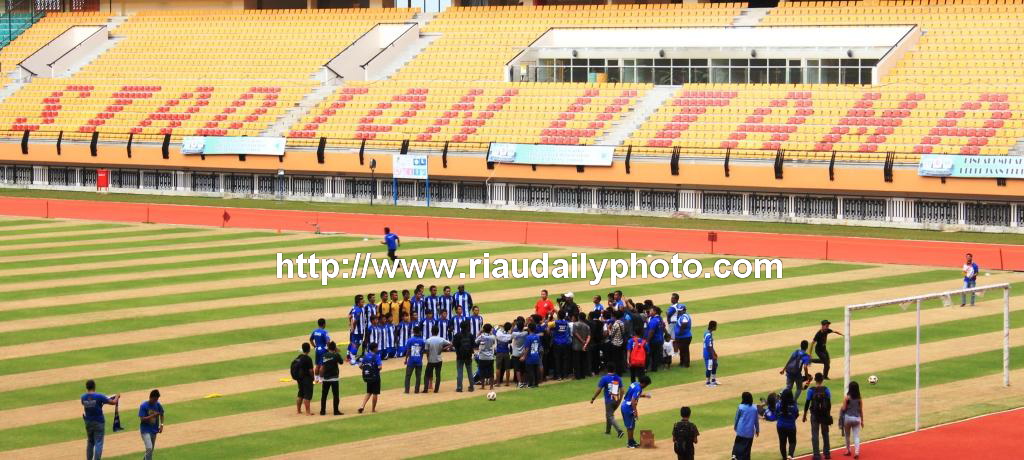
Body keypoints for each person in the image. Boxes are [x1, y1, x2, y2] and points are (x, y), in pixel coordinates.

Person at [81, 379, 119, 460]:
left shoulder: (83, 397)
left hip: (88, 422)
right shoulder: (99, 396)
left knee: (90, 442)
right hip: (98, 422)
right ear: (94, 386)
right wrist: (117, 396)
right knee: (98, 443)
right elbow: (113, 402)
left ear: (86, 387)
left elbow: (87, 404)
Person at [590, 363, 625, 438]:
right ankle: (607, 432)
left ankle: (619, 431)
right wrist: (619, 400)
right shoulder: (618, 378)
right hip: (616, 399)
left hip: (609, 401)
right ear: (614, 370)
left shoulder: (604, 378)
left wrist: (593, 398)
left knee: (610, 416)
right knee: (608, 415)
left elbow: (599, 390)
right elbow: (622, 390)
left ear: (606, 369)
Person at [803, 373, 833, 460]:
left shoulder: (811, 390)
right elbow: (829, 404)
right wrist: (828, 414)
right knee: (825, 434)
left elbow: (807, 403)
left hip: (814, 415)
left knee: (815, 434)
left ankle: (816, 455)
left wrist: (804, 415)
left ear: (815, 380)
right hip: (824, 415)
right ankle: (827, 454)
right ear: (822, 379)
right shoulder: (826, 390)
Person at [621, 374, 652, 448]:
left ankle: (632, 441)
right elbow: (633, 401)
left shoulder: (635, 383)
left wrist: (644, 396)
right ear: (644, 383)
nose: (646, 386)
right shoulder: (638, 388)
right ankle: (630, 443)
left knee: (632, 425)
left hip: (625, 404)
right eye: (646, 384)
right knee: (630, 426)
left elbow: (632, 394)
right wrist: (635, 412)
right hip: (628, 407)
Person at [769, 389, 799, 460]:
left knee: (782, 443)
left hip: (780, 426)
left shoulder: (778, 404)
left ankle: (784, 458)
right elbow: (796, 414)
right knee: (792, 441)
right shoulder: (794, 404)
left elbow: (776, 414)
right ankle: (790, 455)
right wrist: (791, 418)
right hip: (791, 426)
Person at [732, 391, 759, 460]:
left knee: (737, 445)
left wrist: (735, 426)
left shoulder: (741, 407)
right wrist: (757, 430)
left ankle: (735, 456)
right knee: (747, 449)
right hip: (749, 432)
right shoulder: (754, 408)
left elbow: (736, 418)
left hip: (740, 430)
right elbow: (756, 421)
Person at [423, 325, 451, 393]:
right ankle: (436, 390)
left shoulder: (428, 340)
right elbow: (451, 344)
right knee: (438, 375)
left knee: (427, 375)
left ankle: (426, 389)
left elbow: (427, 351)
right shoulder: (441, 339)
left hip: (431, 360)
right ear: (438, 332)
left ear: (431, 331)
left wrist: (428, 358)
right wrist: (443, 349)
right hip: (439, 360)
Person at [138, 389, 164, 460]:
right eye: (155, 399)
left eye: (157, 399)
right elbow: (142, 419)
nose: (156, 401)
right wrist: (153, 415)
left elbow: (162, 414)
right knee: (149, 448)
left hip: (154, 431)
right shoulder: (143, 406)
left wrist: (161, 425)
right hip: (145, 431)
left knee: (150, 451)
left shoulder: (157, 404)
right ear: (151, 397)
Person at [841, 381, 864, 459]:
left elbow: (844, 408)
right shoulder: (859, 398)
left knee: (847, 436)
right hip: (857, 418)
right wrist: (862, 421)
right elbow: (861, 410)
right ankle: (857, 452)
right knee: (856, 436)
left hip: (848, 418)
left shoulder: (847, 398)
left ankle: (848, 450)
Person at [319, 341, 343, 415]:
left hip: (326, 378)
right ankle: (336, 411)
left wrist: (321, 377)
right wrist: (337, 353)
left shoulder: (324, 355)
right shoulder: (336, 355)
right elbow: (341, 362)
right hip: (334, 378)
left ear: (328, 347)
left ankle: (322, 411)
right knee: (335, 395)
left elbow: (321, 367)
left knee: (324, 395)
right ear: (335, 348)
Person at [358, 343, 383, 413]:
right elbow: (380, 367)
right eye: (377, 348)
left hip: (368, 377)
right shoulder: (376, 356)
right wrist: (376, 370)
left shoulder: (366, 356)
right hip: (375, 377)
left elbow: (360, 365)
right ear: (374, 348)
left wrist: (366, 370)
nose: (378, 349)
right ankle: (373, 409)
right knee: (375, 393)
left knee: (368, 392)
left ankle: (362, 406)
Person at [293, 343, 315, 416]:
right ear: (309, 349)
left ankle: (298, 410)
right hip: (306, 378)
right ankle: (308, 412)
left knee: (300, 393)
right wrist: (313, 377)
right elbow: (311, 370)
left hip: (299, 378)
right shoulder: (308, 359)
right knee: (307, 395)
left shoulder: (299, 357)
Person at [453, 321, 476, 392]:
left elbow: (455, 345)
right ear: (467, 327)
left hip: (459, 356)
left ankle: (459, 387)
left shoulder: (457, 335)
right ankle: (472, 387)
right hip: (468, 356)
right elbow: (473, 345)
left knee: (460, 372)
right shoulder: (470, 335)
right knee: (469, 372)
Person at [404, 326, 427, 393]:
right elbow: (423, 351)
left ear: (413, 331)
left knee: (408, 376)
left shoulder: (410, 340)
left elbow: (408, 351)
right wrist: (421, 358)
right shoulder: (422, 341)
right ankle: (416, 390)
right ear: (419, 332)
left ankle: (407, 390)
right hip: (419, 361)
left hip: (411, 361)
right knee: (418, 376)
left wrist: (406, 359)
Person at [552, 311, 573, 380]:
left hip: (557, 343)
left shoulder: (555, 322)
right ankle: (565, 375)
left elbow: (547, 325)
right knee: (565, 359)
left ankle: (558, 376)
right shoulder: (566, 323)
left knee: (557, 360)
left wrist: (550, 316)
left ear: (558, 315)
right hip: (565, 343)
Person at [476, 323, 497, 390]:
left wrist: (480, 333)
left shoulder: (481, 336)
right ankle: (491, 386)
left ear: (484, 329)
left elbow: (476, 341)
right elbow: (494, 343)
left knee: (482, 371)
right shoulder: (493, 337)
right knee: (491, 372)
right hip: (490, 357)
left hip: (482, 357)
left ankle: (483, 386)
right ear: (490, 329)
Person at [521, 323, 543, 388]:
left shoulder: (528, 337)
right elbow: (539, 346)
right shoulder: (537, 337)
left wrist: (524, 356)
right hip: (536, 356)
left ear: (529, 329)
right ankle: (536, 384)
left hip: (530, 357)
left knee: (530, 371)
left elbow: (527, 348)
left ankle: (531, 384)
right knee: (536, 371)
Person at [309, 318, 330, 383]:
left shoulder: (315, 331)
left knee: (317, 365)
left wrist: (315, 346)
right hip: (323, 350)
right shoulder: (324, 332)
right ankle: (321, 379)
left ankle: (316, 379)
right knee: (322, 365)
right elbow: (328, 341)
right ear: (324, 324)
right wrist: (328, 348)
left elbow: (310, 339)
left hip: (317, 349)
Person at [646, 306, 666, 372]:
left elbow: (651, 332)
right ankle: (655, 367)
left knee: (651, 354)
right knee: (656, 354)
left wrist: (647, 340)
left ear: (655, 312)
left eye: (651, 311)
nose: (650, 312)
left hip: (654, 340)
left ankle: (652, 368)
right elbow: (663, 327)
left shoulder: (653, 321)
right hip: (660, 339)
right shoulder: (659, 318)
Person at [572, 313, 591, 380]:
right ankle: (583, 375)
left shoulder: (575, 324)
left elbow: (575, 333)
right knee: (583, 361)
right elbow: (589, 336)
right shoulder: (587, 326)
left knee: (577, 361)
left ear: (579, 317)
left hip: (576, 346)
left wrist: (582, 341)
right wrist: (585, 343)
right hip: (584, 347)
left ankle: (578, 376)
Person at [511, 319, 529, 388]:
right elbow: (526, 328)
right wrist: (525, 324)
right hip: (523, 354)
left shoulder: (514, 334)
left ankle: (519, 382)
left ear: (517, 327)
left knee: (517, 369)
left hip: (515, 354)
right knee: (523, 369)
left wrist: (513, 325)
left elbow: (511, 332)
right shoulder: (526, 333)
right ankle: (524, 382)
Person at [674, 302, 693, 368]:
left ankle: (686, 364)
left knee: (685, 351)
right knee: (682, 350)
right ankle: (682, 363)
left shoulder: (684, 316)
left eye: (680, 311)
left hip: (684, 337)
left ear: (684, 310)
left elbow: (684, 323)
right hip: (683, 336)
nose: (679, 312)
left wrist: (680, 332)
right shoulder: (682, 316)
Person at [495, 322, 513, 386]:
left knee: (498, 368)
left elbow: (495, 328)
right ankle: (507, 383)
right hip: (506, 353)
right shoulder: (509, 335)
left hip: (499, 352)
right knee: (507, 368)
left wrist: (501, 326)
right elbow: (510, 340)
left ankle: (498, 383)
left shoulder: (498, 332)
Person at [704, 321, 719, 387]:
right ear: (713, 327)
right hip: (708, 353)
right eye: (715, 326)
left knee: (715, 364)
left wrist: (714, 352)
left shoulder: (708, 333)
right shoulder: (708, 335)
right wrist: (712, 355)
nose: (716, 327)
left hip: (710, 352)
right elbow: (708, 346)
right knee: (709, 367)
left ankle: (713, 380)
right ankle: (707, 382)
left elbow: (711, 346)